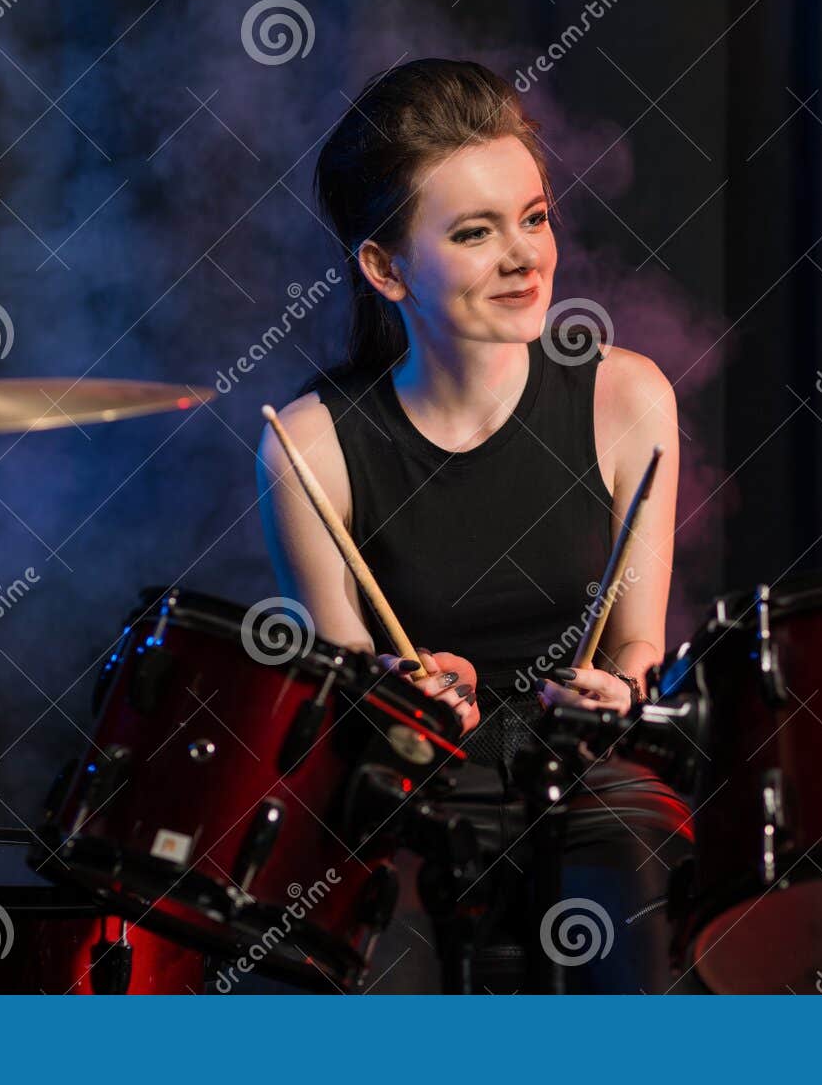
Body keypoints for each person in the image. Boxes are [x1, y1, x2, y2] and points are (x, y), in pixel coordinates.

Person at [256, 58, 692, 992]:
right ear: (384, 267)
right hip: (408, 792)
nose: (526, 257)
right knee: (367, 910)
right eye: (473, 232)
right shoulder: (310, 445)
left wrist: (619, 690)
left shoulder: (628, 397)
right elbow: (343, 714)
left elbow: (639, 648)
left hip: (587, 778)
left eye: (533, 218)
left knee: (631, 860)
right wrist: (399, 709)